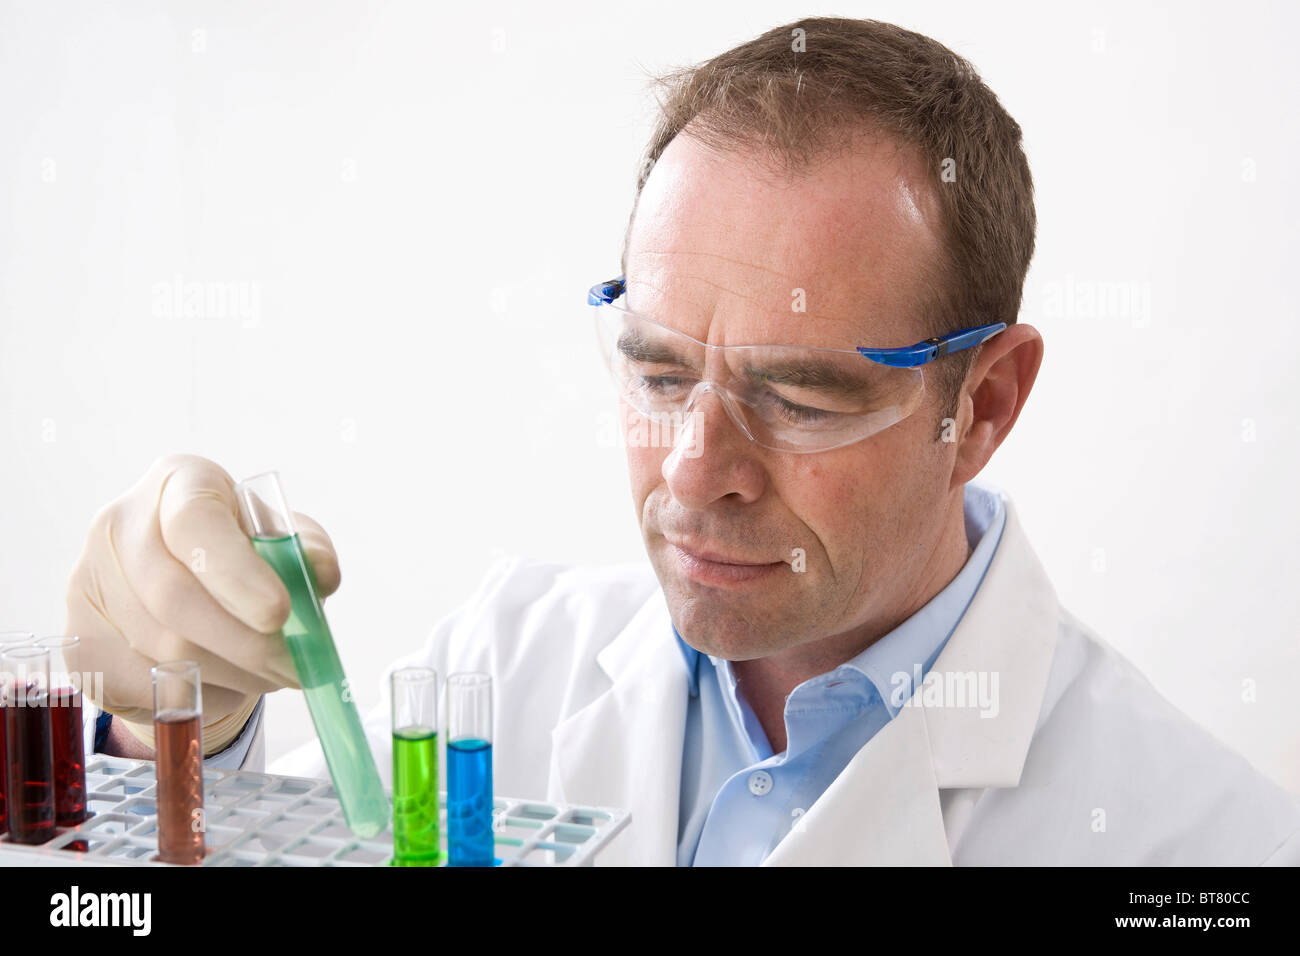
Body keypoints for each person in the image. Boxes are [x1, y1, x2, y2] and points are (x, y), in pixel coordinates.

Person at [66, 17, 1300, 865]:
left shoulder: (1194, 844)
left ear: (980, 405)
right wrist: (174, 723)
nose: (695, 468)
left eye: (800, 397)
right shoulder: (512, 669)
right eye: (659, 372)